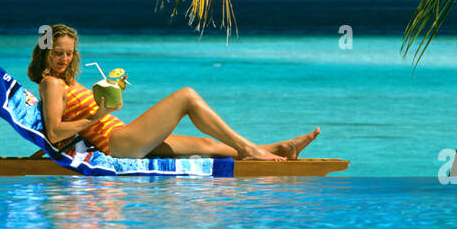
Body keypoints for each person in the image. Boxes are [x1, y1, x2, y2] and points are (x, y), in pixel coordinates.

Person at [28, 24, 319, 163]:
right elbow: (54, 133)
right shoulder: (51, 83)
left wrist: (110, 96)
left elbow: (70, 127)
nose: (64, 59)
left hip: (124, 135)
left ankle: (279, 149)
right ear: (45, 52)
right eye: (57, 53)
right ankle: (251, 151)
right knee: (187, 97)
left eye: (68, 53)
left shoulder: (67, 82)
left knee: (208, 145)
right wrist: (97, 115)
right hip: (119, 143)